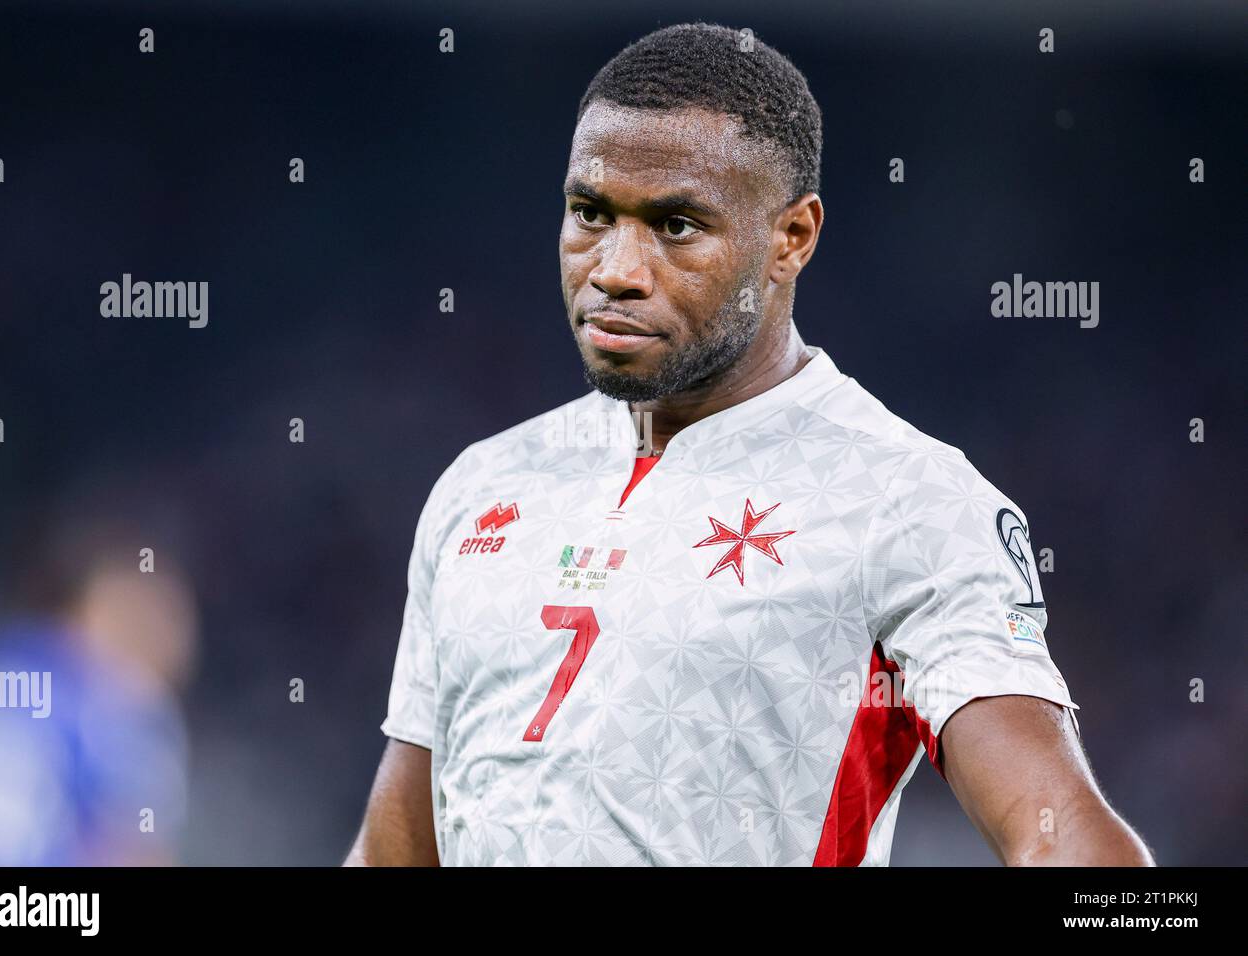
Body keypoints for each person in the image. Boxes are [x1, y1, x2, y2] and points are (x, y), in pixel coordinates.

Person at [346, 22, 1152, 866]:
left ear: (792, 238)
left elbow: (1065, 837)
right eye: (590, 213)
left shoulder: (907, 502)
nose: (616, 268)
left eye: (677, 225)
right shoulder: (483, 484)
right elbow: (398, 847)